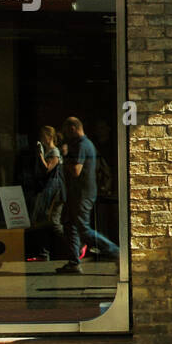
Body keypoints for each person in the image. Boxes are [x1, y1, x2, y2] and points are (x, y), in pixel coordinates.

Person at [56, 117, 99, 276]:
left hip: (82, 194)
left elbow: (76, 171)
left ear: (73, 128)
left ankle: (114, 251)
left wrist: (66, 156)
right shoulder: (84, 144)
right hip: (76, 194)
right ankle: (74, 262)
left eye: (67, 131)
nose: (66, 135)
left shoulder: (82, 145)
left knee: (83, 229)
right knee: (70, 225)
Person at [30, 125, 66, 261]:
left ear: (49, 137)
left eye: (43, 136)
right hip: (46, 190)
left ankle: (76, 244)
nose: (41, 139)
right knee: (42, 222)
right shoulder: (49, 151)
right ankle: (43, 253)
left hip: (53, 192)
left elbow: (47, 168)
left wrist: (40, 154)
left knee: (53, 222)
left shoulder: (54, 152)